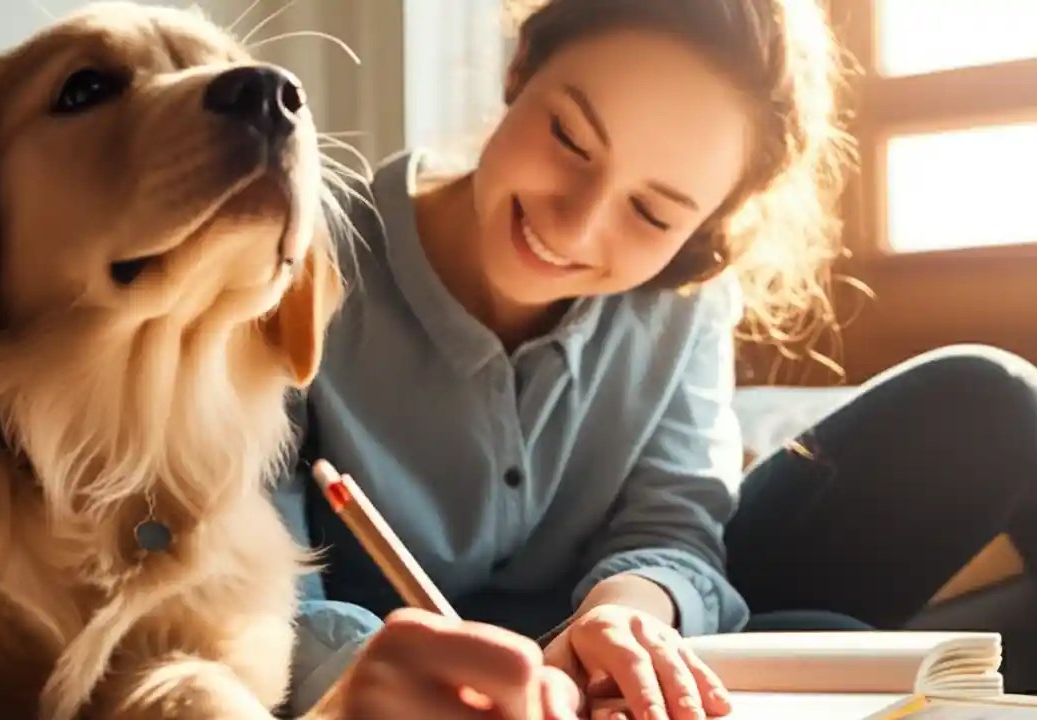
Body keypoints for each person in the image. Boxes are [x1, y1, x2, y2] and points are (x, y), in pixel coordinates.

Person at [274, 0, 1037, 718]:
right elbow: (243, 578)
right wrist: (361, 672)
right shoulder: (292, 264)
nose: (576, 226)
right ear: (521, 65)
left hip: (611, 665)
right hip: (396, 673)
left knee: (989, 405)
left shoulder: (684, 298)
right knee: (833, 632)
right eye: (570, 138)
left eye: (652, 212)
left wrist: (628, 615)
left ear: (704, 228)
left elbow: (673, 519)